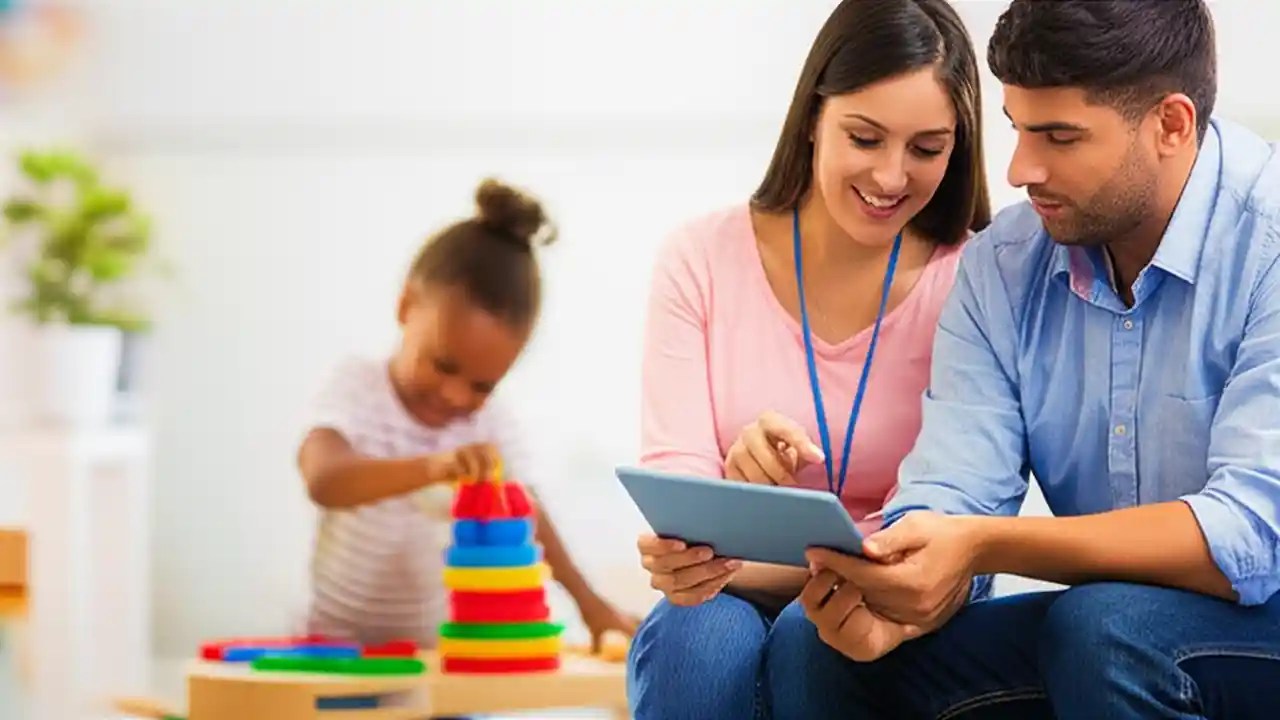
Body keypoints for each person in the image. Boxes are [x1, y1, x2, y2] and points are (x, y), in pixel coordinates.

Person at [789, 1, 1280, 718]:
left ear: (1171, 125)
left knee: (1106, 628)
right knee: (819, 647)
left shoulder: (1268, 244)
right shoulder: (1005, 266)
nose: (1021, 169)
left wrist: (981, 544)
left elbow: (1250, 538)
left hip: (1254, 615)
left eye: (1059, 136)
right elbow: (954, 494)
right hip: (1118, 628)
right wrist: (905, 592)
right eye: (1019, 129)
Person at [626, 0, 991, 717]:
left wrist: (750, 539)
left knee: (815, 639)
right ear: (814, 114)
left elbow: (961, 511)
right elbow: (678, 485)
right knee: (693, 640)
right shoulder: (699, 258)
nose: (891, 177)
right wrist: (714, 512)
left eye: (926, 149)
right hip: (728, 587)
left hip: (890, 602)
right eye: (865, 137)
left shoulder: (974, 280)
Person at [296, 179, 637, 652]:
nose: (455, 395)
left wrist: (592, 607)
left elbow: (528, 514)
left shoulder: (492, 425)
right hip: (333, 652)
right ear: (405, 306)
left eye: (482, 385)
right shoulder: (356, 386)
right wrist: (432, 467)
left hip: (436, 660)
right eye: (443, 364)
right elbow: (324, 479)